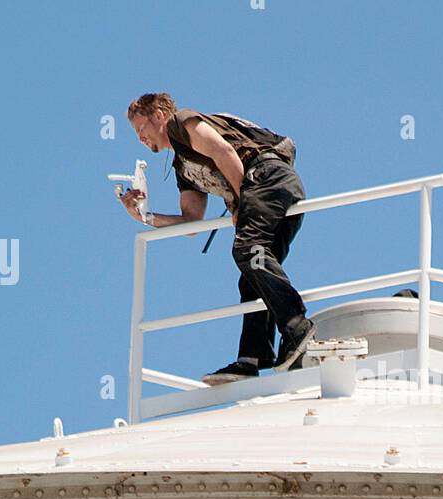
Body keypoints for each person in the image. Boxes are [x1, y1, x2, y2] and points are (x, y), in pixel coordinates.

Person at [119, 92, 314, 384]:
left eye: (140, 129)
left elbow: (224, 152)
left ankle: (297, 326)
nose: (140, 139)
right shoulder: (182, 167)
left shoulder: (182, 123)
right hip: (269, 190)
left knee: (248, 251)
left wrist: (239, 202)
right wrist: (144, 217)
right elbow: (192, 222)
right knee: (251, 275)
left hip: (268, 178)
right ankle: (252, 358)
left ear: (159, 116)